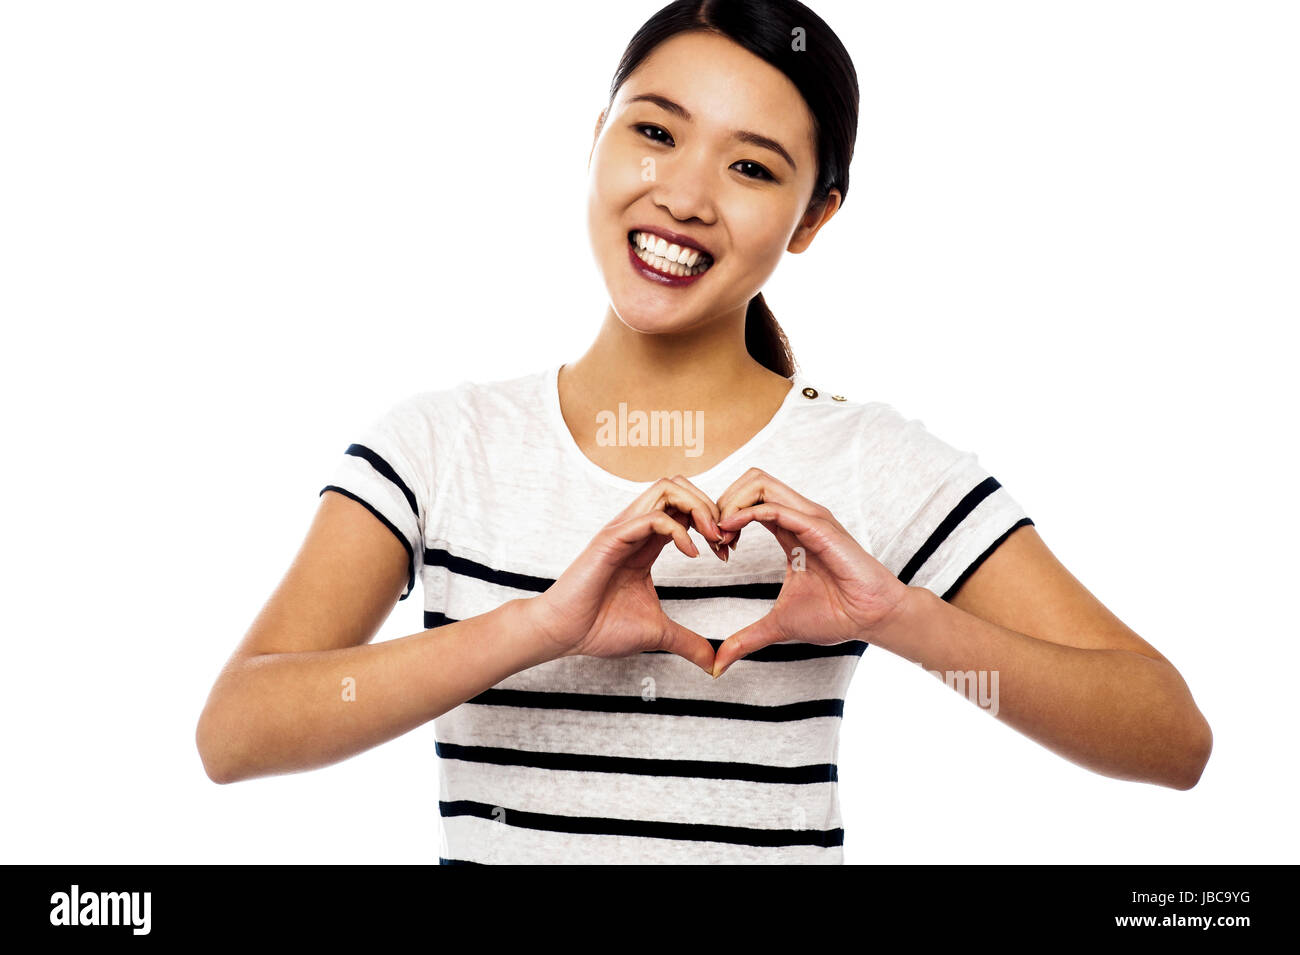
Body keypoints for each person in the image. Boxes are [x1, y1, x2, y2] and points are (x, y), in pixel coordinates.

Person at [196, 0, 1213, 864]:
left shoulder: (870, 462)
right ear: (593, 135)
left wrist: (894, 614)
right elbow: (236, 732)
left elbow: (1169, 736)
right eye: (653, 131)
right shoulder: (439, 444)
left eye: (753, 169)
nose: (681, 197)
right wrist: (537, 629)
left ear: (814, 218)